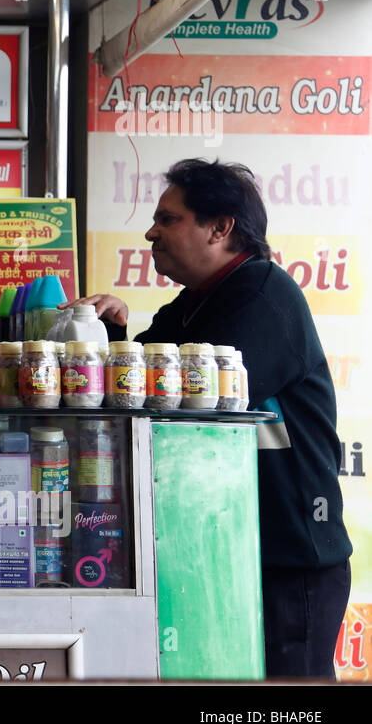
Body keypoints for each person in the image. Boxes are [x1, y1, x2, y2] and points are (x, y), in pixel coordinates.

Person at [65, 158, 352, 679]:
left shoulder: (265, 293)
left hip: (292, 562)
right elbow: (138, 394)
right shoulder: (194, 303)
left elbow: (199, 402)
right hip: (228, 553)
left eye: (168, 219)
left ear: (220, 228)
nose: (151, 232)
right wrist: (114, 336)